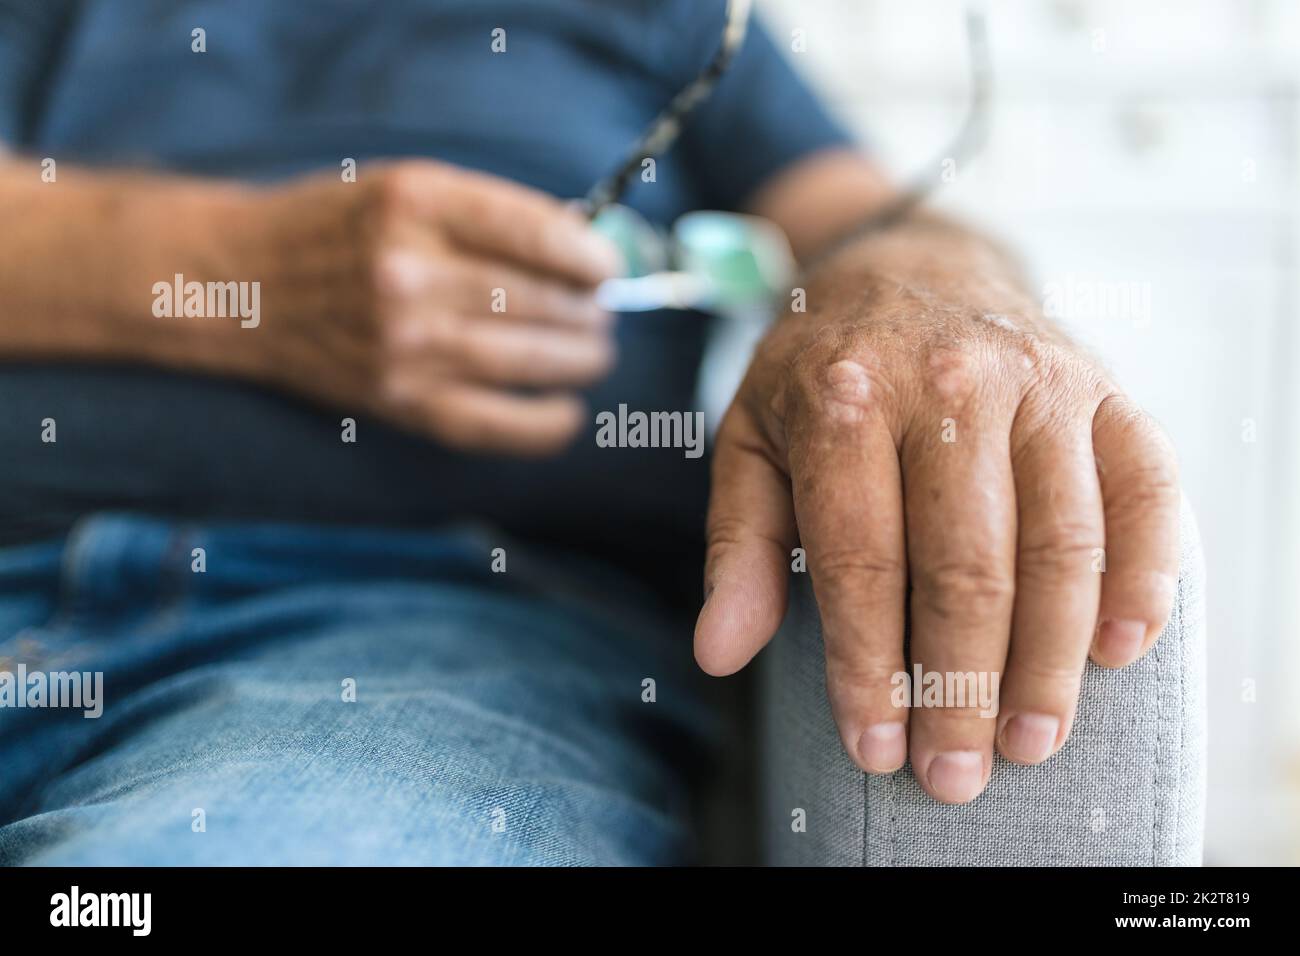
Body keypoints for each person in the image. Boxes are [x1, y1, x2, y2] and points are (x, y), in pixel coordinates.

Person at [0, 0, 1179, 865]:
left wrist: (916, 301)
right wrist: (237, 276)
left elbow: (863, 219)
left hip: (410, 640)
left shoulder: (676, 19)